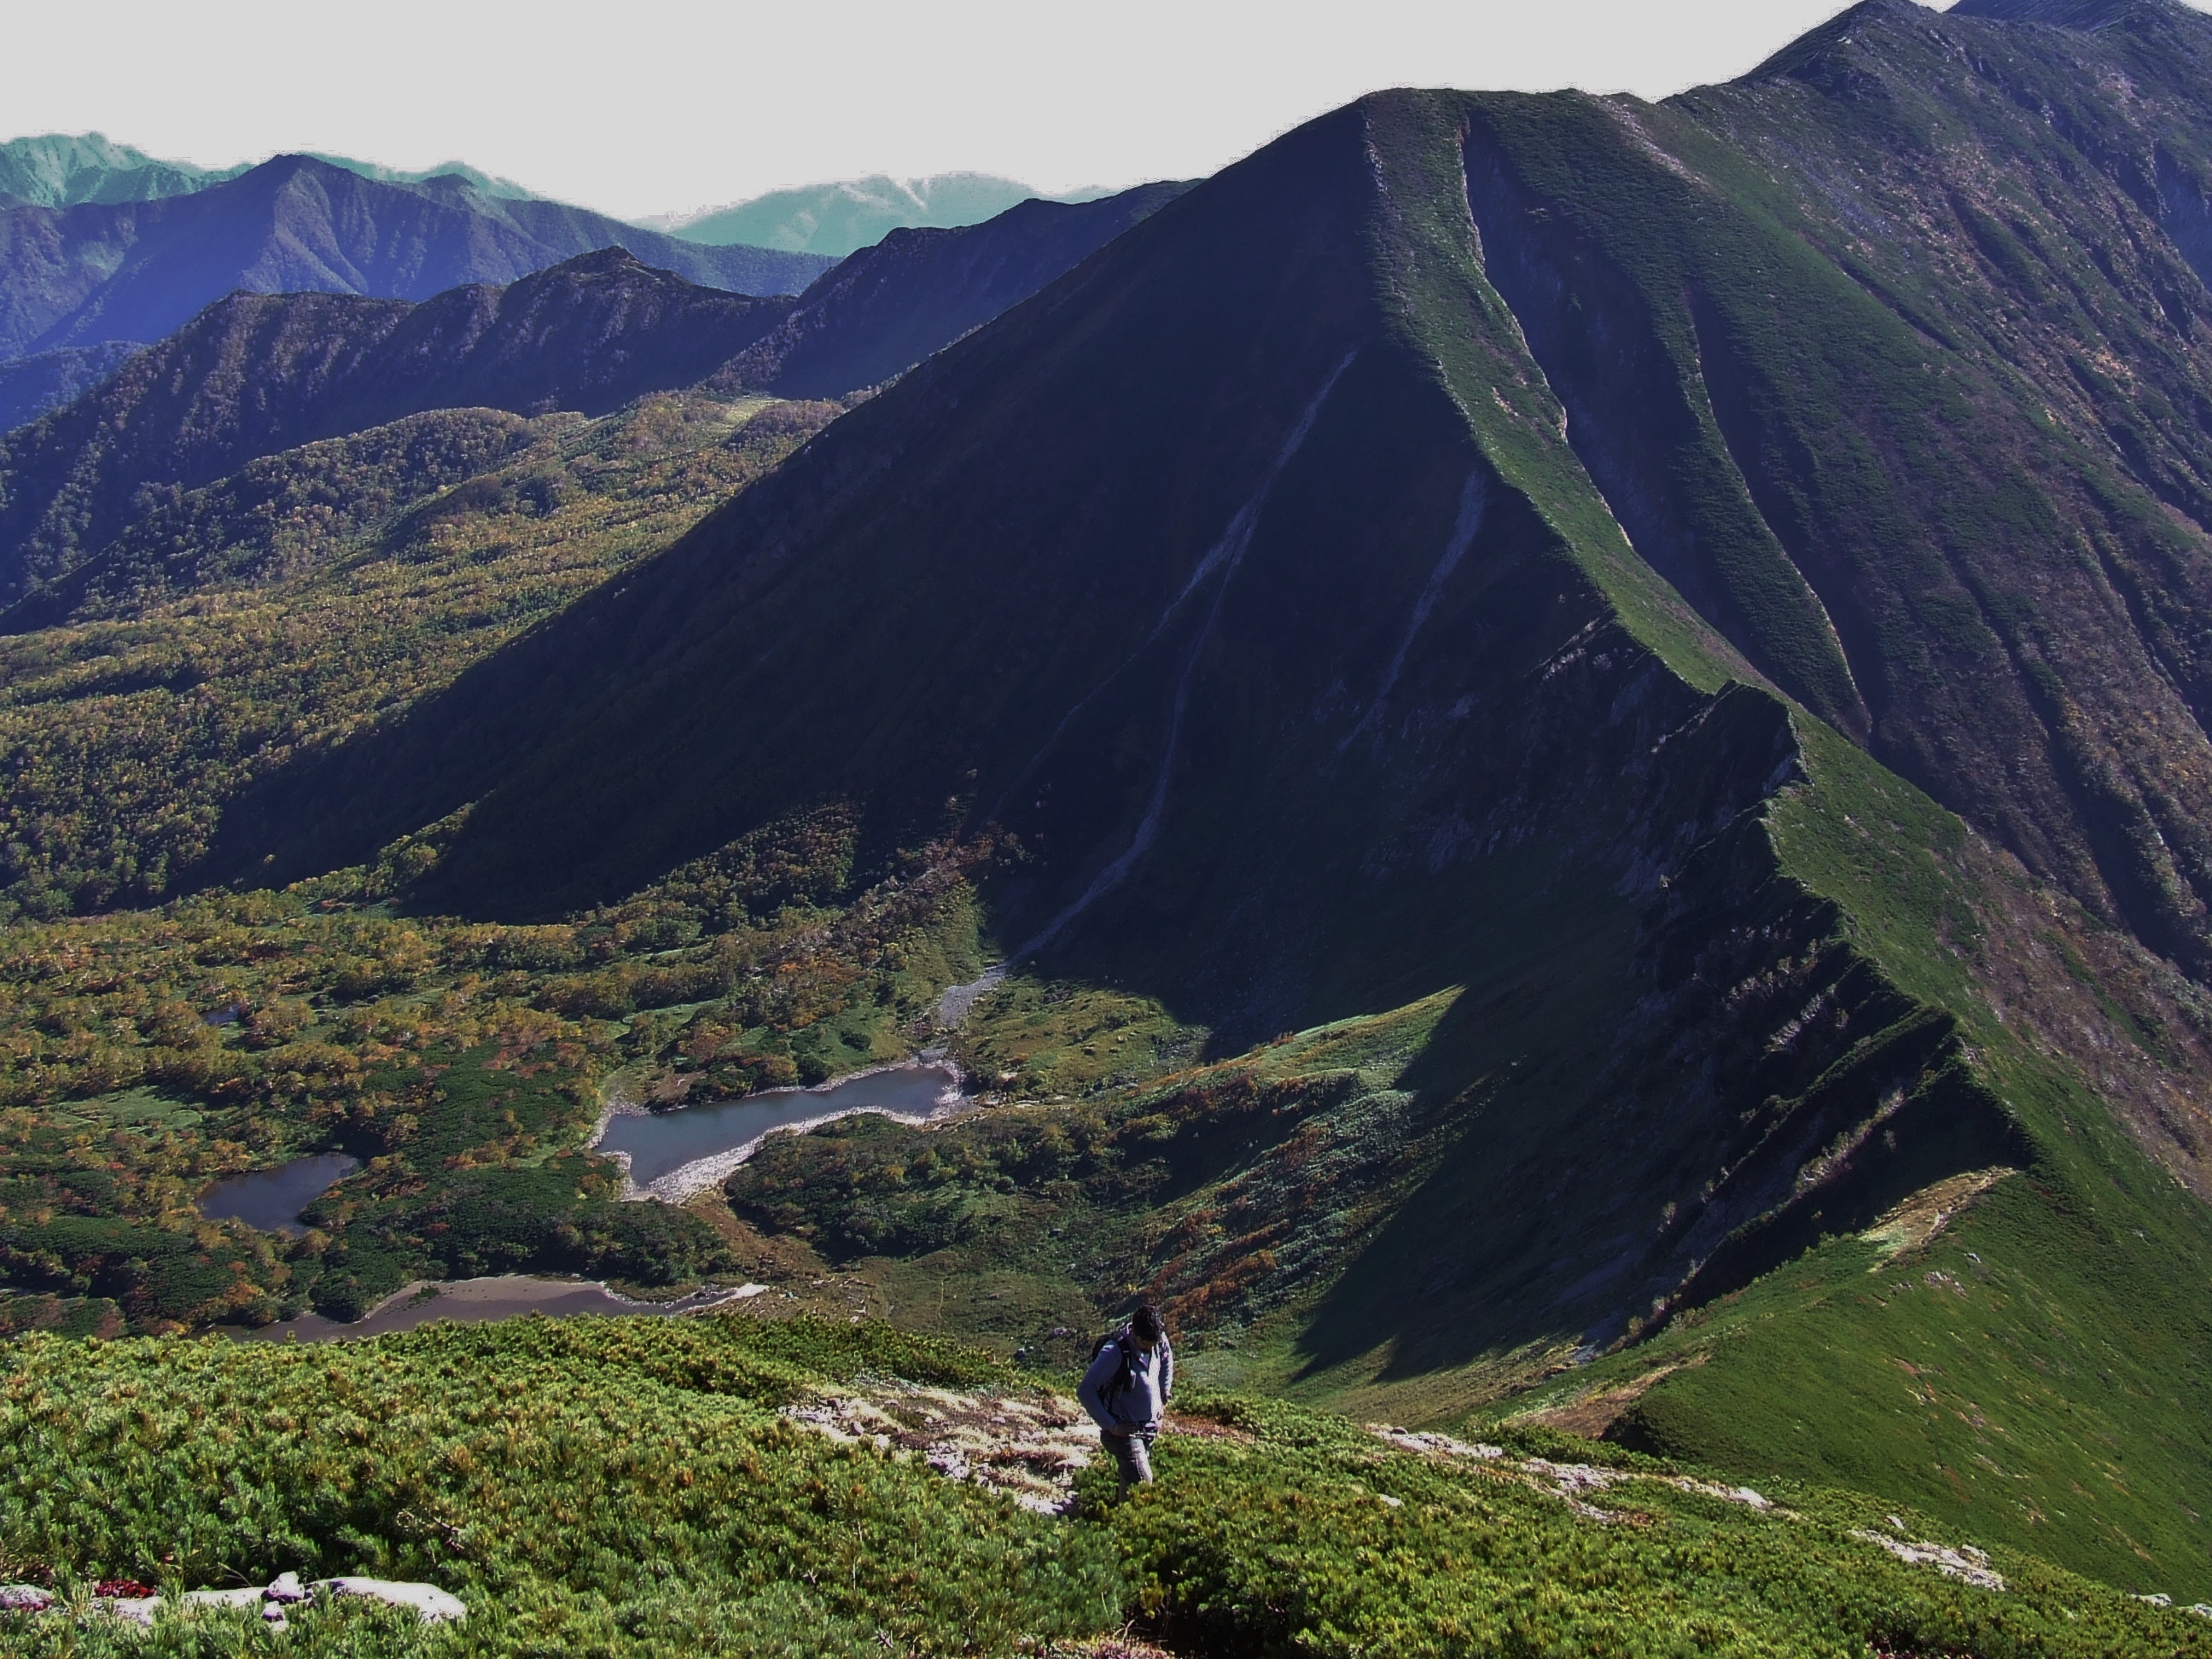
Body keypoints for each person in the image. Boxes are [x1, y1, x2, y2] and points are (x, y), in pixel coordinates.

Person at [1078, 1304, 1173, 1487]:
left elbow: (1166, 1358)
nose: (1149, 1349)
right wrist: (1112, 1425)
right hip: (1125, 1432)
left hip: (1148, 1429)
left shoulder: (1158, 1339)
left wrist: (1164, 1391)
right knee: (1141, 1482)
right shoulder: (1115, 1352)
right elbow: (1085, 1390)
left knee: (1130, 1482)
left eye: (1153, 1344)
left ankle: (1122, 1506)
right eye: (1145, 1344)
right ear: (1134, 1333)